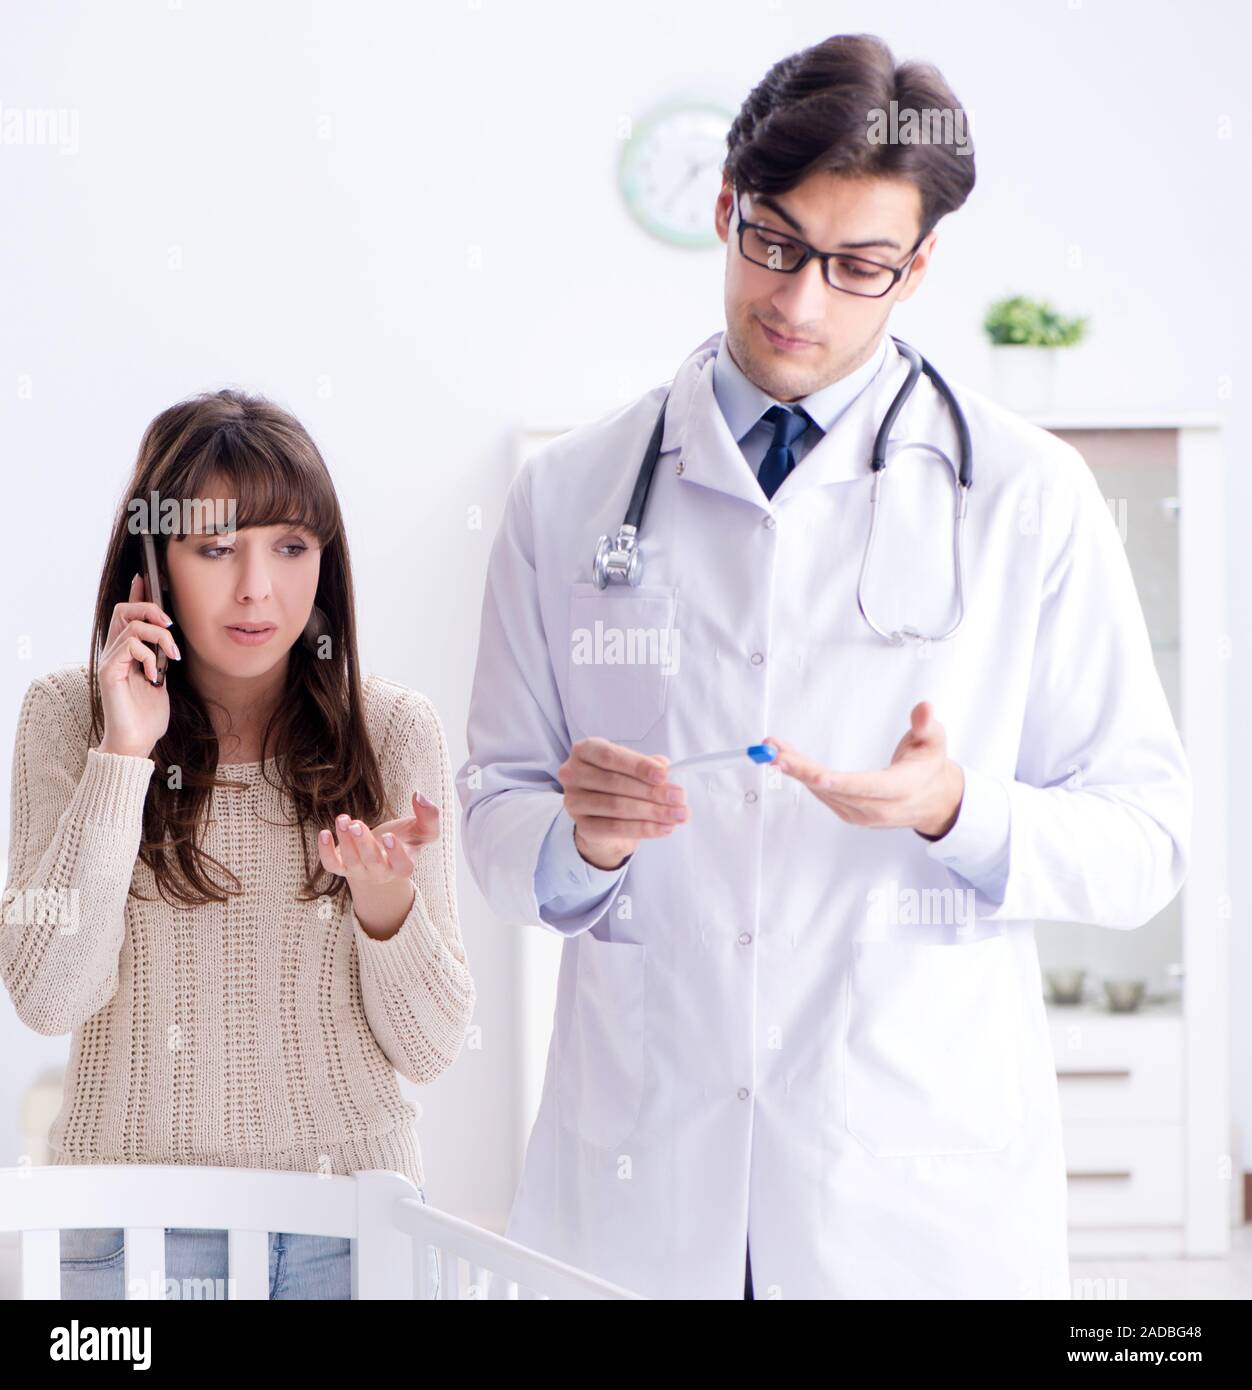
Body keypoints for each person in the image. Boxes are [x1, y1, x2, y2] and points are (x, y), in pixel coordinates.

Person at [455, 33, 1191, 1299]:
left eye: (857, 267)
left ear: (918, 268)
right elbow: (491, 812)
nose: (798, 302)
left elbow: (1147, 839)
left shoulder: (1024, 495)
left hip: (908, 1194)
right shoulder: (569, 494)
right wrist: (583, 841)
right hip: (642, 1175)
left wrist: (958, 810)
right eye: (776, 244)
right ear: (727, 206)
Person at [1, 389, 473, 1298]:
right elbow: (45, 996)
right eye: (216, 549)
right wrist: (122, 757)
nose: (259, 588)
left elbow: (433, 1048)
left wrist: (385, 907)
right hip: (129, 1230)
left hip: (346, 1230)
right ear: (154, 564)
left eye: (291, 548)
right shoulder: (68, 719)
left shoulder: (394, 732)